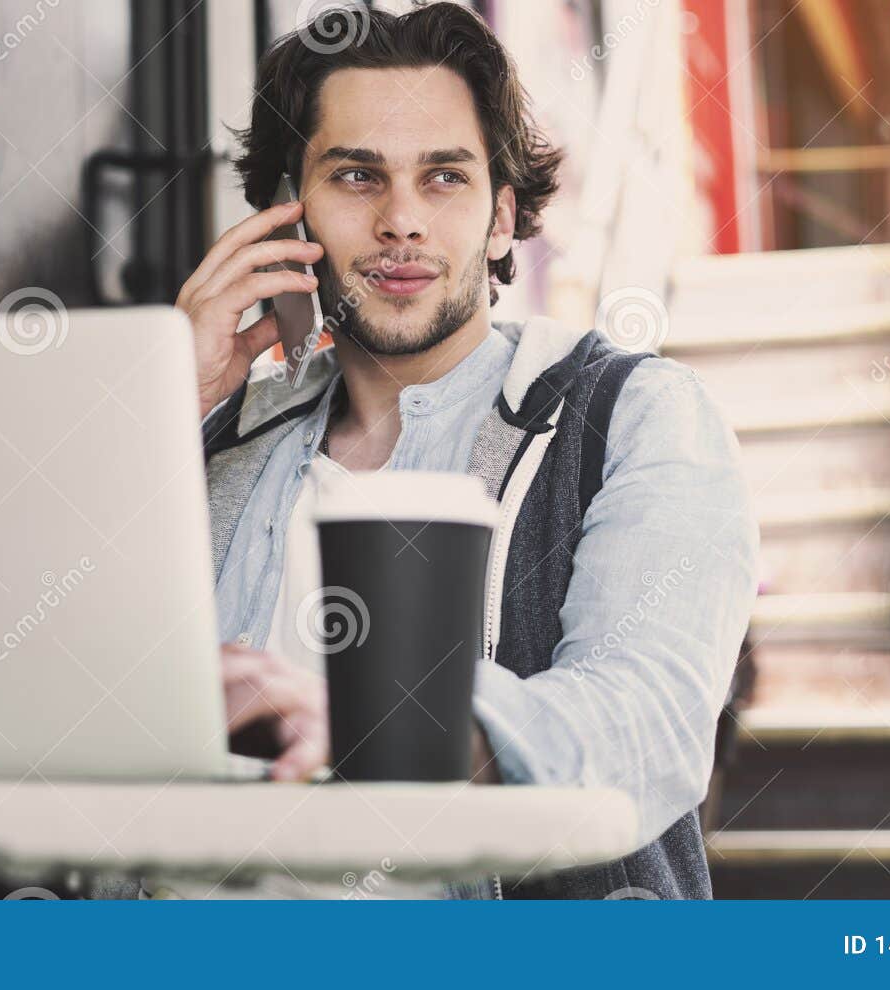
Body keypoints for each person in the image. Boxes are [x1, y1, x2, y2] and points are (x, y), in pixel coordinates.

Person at [179, 2, 757, 899]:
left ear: (501, 220)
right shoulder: (204, 436)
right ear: (290, 221)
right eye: (357, 176)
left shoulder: (635, 416)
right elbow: (27, 689)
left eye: (444, 177)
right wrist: (169, 407)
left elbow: (644, 725)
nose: (402, 221)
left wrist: (389, 722)